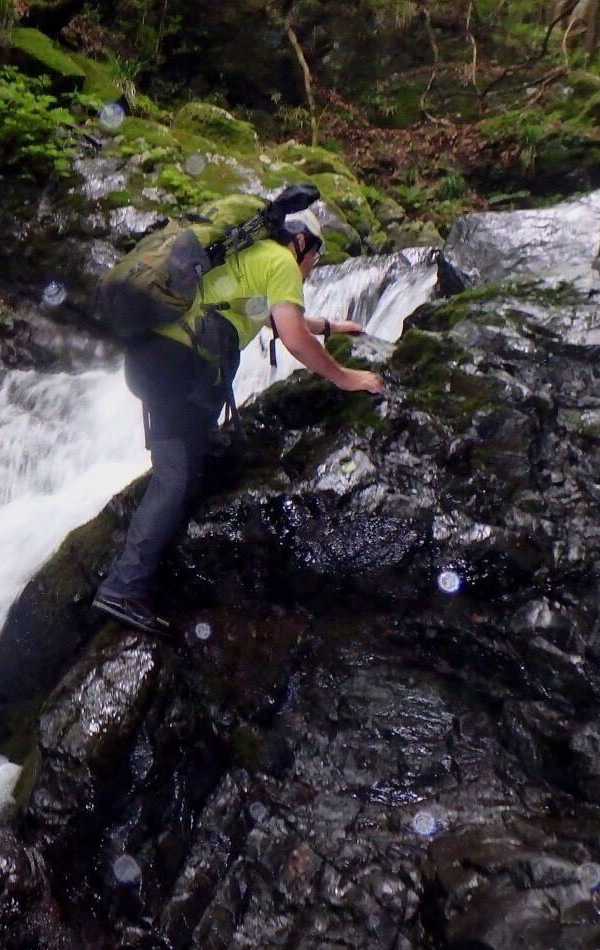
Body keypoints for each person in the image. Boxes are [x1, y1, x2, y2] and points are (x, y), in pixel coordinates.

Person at [92, 210, 384, 634]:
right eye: (316, 257)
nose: (311, 266)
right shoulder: (281, 262)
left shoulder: (250, 256)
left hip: (154, 361)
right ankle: (123, 587)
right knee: (174, 481)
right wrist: (346, 377)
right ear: (302, 243)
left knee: (189, 464)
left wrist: (331, 326)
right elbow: (292, 337)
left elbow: (269, 315)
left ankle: (151, 551)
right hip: (179, 371)